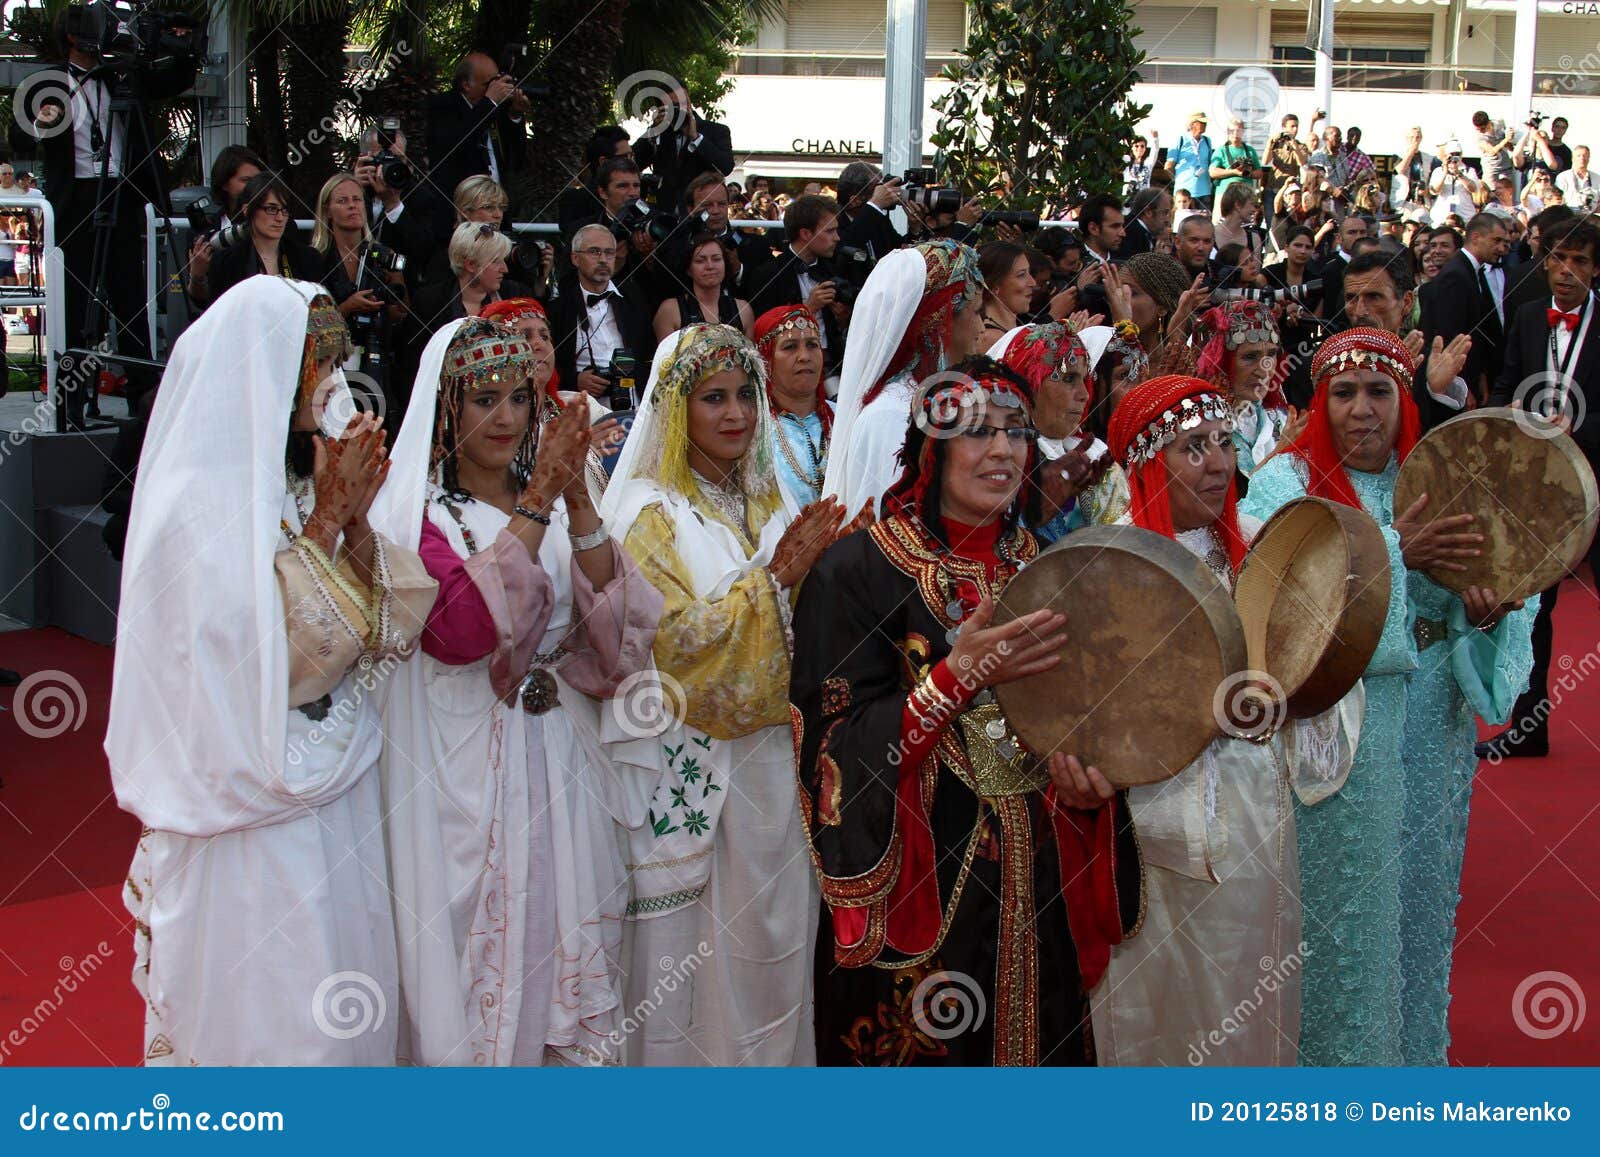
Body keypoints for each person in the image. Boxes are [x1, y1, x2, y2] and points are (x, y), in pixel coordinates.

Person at [110, 281, 437, 1065]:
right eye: (314, 359)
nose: (332, 378)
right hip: (246, 812)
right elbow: (264, 662)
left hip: (337, 792)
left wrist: (351, 519)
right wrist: (327, 519)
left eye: (335, 357)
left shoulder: (294, 485)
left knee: (350, 997)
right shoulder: (192, 505)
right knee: (281, 1022)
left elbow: (393, 632)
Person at [792, 356, 1139, 1065]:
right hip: (927, 880)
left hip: (1039, 874)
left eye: (1016, 431)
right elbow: (832, 750)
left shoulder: (1050, 566)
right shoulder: (856, 570)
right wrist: (956, 676)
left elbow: (1085, 717)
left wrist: (1088, 783)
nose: (1004, 451)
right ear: (933, 447)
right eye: (978, 432)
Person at [371, 317, 661, 1066]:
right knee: (482, 954)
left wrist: (580, 505)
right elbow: (461, 629)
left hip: (564, 757)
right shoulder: (420, 517)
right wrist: (537, 502)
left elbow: (621, 633)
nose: (506, 418)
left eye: (519, 400)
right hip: (466, 766)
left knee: (573, 934)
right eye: (483, 400)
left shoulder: (561, 503)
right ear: (445, 412)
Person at [1242, 326, 1531, 1065]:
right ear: (1318, 400)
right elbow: (1287, 607)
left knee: (1419, 904)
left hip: (1431, 716)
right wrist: (1397, 547)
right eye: (1343, 393)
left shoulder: (1439, 478)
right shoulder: (1285, 482)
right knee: (1343, 913)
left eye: (1379, 392)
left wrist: (1489, 607)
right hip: (1337, 722)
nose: (1362, 410)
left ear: (1405, 401)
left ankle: (1409, 1075)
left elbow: (1487, 587)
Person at [599, 323, 848, 1065]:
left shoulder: (764, 501)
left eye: (746, 394)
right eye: (713, 397)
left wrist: (836, 573)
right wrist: (773, 581)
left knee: (770, 963)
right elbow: (669, 647)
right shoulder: (647, 512)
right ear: (676, 410)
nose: (736, 412)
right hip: (692, 780)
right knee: (692, 971)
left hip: (772, 773)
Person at [1092, 372, 1315, 1065]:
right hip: (1145, 816)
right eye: (1194, 447)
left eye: (1225, 441)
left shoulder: (1255, 545)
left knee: (1246, 974)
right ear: (1148, 462)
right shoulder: (1109, 559)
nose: (1220, 462)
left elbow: (1307, 670)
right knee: (1153, 992)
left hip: (1251, 809)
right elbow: (1090, 708)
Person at [1483, 216, 1600, 761]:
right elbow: (1509, 380)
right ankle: (1530, 726)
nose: (1566, 270)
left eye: (1579, 260)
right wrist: (1507, 409)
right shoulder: (1527, 315)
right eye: (1558, 258)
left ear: (1595, 268)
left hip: (1599, 480)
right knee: (1538, 610)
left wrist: (1580, 426)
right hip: (1542, 494)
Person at [30, 4, 167, 421]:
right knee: (75, 299)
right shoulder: (51, 81)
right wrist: (41, 120)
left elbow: (167, 81)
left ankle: (143, 399)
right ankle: (70, 398)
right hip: (75, 200)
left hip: (120, 195)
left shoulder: (118, 76)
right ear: (72, 37)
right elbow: (20, 133)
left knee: (129, 298)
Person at [823, 239, 987, 518]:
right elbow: (890, 531)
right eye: (977, 313)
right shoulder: (889, 415)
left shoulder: (929, 398)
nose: (982, 327)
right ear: (940, 320)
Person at [989, 321, 1130, 540]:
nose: (1084, 394)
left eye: (1084, 379)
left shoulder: (1094, 458)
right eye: (1068, 378)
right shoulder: (992, 460)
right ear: (1026, 384)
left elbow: (1120, 553)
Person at [309, 172, 408, 412]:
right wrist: (347, 308)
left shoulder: (383, 255)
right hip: (330, 366)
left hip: (377, 363)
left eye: (357, 199)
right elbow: (307, 323)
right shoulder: (314, 259)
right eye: (343, 201)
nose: (352, 206)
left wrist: (393, 294)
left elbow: (401, 313)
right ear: (328, 210)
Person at [549, 223, 656, 403]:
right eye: (594, 252)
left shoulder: (634, 301)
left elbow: (649, 355)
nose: (603, 260)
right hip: (582, 408)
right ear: (575, 258)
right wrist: (575, 380)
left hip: (634, 406)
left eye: (609, 253)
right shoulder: (559, 309)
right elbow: (548, 365)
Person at [746, 194, 848, 374]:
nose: (837, 238)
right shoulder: (768, 274)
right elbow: (764, 336)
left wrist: (843, 319)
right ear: (805, 234)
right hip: (786, 370)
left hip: (834, 365)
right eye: (830, 231)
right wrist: (808, 308)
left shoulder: (835, 269)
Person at [1419, 211, 1511, 405]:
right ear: (1476, 237)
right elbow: (1449, 337)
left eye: (1504, 242)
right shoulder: (1456, 275)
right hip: (1456, 386)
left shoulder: (1470, 271)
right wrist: (1461, 388)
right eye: (1496, 241)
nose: (1502, 249)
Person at [1195, 300, 1288, 484]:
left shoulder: (1279, 420)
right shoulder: (1198, 428)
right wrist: (1279, 456)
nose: (1264, 370)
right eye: (1250, 357)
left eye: (1271, 354)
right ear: (1219, 362)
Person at [426, 52, 530, 211]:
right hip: (458, 214)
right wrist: (490, 102)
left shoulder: (495, 108)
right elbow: (457, 145)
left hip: (496, 211)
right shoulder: (442, 106)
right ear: (466, 84)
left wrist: (515, 116)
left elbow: (516, 160)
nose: (497, 88)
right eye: (490, 83)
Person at [204, 172, 321, 301]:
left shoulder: (308, 258)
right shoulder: (225, 262)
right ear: (247, 210)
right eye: (271, 209)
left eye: (284, 210)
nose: (280, 218)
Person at [757, 305, 832, 507]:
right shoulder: (752, 430)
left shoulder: (846, 418)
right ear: (765, 360)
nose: (804, 357)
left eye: (812, 345)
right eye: (790, 347)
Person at [412, 221, 533, 340]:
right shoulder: (429, 303)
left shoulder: (517, 297)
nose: (505, 269)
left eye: (504, 260)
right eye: (495, 261)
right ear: (470, 265)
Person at [630, 77, 734, 213]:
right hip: (664, 214)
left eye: (683, 103)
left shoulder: (715, 131)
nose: (680, 110)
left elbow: (725, 168)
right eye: (673, 106)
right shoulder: (658, 134)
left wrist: (696, 138)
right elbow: (632, 165)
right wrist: (653, 132)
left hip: (702, 214)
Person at [652, 230, 753, 341]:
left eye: (716, 259)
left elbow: (750, 356)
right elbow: (664, 357)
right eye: (700, 261)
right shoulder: (670, 310)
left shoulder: (743, 309)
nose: (710, 266)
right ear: (689, 269)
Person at [1263, 225, 1324, 406]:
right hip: (1271, 344)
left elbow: (1316, 322)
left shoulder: (1317, 281)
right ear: (1287, 247)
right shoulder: (1269, 274)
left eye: (1307, 247)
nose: (1302, 251)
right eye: (1298, 245)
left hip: (1302, 349)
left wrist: (1299, 313)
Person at [977, 241, 1036, 338]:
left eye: (1029, 272)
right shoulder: (991, 339)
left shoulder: (1007, 333)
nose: (1033, 283)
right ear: (995, 285)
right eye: (1021, 275)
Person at [1210, 117, 1263, 210]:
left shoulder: (1250, 151)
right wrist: (1234, 172)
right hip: (1225, 194)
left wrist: (1248, 173)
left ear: (1243, 132)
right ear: (1228, 132)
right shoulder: (1221, 150)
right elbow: (1213, 172)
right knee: (1222, 223)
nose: (1235, 134)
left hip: (1245, 194)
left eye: (1238, 130)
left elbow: (1259, 173)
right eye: (1232, 131)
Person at [1168, 111, 1215, 210]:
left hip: (1204, 191)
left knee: (1203, 223)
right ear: (1193, 124)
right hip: (1184, 193)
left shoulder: (1207, 141)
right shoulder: (1180, 139)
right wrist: (1177, 181)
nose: (1205, 124)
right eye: (1202, 122)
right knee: (1182, 222)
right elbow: (1168, 166)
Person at [1116, 187, 1172, 259]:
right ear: (1149, 212)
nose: (1168, 220)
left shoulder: (1144, 233)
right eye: (1165, 213)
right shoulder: (1130, 234)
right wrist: (1156, 260)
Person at [1429, 147, 1481, 223]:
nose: (1454, 157)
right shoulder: (1438, 171)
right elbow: (1434, 191)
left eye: (1457, 154)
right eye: (1451, 155)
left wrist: (1458, 173)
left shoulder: (1469, 170)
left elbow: (1474, 189)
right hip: (1442, 215)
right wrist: (1445, 173)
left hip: (1465, 214)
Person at [1078, 194, 1125, 267]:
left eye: (1122, 226)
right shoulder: (1072, 265)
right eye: (1115, 226)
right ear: (1093, 228)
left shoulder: (1126, 264)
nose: (1123, 233)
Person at [1556, 146, 1597, 212]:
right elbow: (1557, 199)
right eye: (1579, 156)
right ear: (1573, 159)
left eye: (1585, 155)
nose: (1582, 158)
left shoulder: (1597, 178)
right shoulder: (1563, 177)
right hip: (1569, 215)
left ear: (1589, 158)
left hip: (1589, 216)